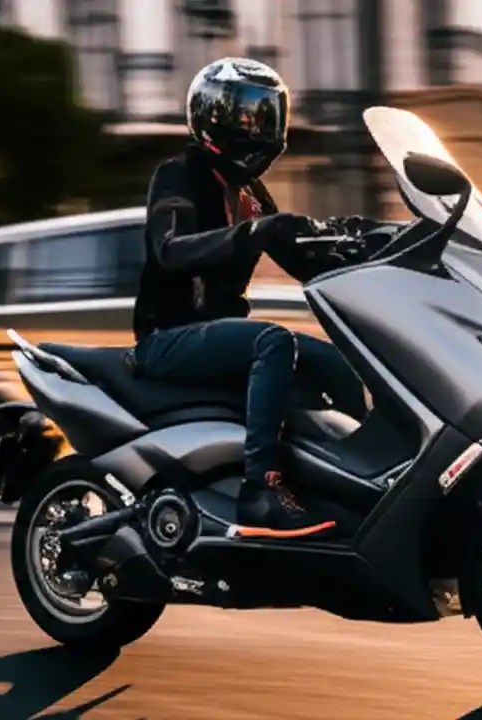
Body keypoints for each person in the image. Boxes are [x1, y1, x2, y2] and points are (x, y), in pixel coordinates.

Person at [130, 57, 371, 537]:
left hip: (215, 337)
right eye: (248, 115)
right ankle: (260, 487)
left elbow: (306, 261)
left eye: (267, 115)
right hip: (167, 337)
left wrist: (378, 245)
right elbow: (169, 250)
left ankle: (359, 482)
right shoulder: (178, 174)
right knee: (274, 342)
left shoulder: (253, 193)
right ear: (212, 118)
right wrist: (254, 232)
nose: (259, 128)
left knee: (341, 364)